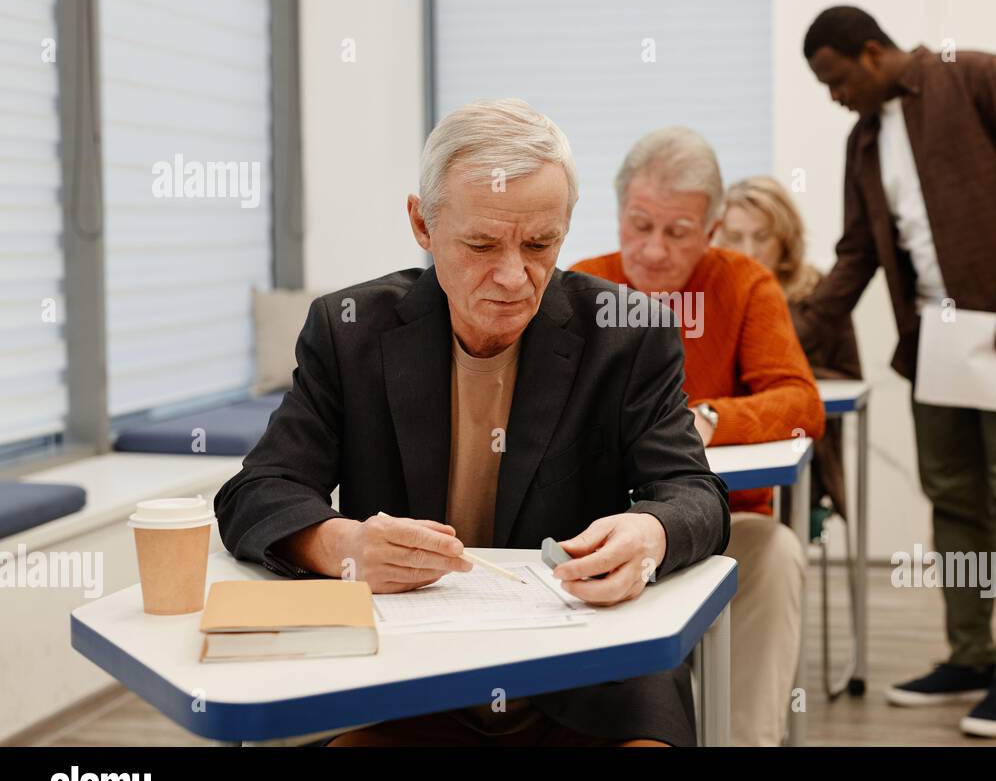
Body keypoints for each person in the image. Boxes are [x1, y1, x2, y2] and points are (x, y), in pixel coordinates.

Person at [214, 98, 730, 747]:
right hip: (410, 682)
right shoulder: (348, 332)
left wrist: (649, 532)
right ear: (422, 225)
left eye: (541, 244)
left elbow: (695, 495)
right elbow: (258, 492)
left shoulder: (628, 333)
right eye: (482, 244)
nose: (515, 278)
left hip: (593, 677)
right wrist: (342, 548)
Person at [798, 6, 996, 738]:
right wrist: (793, 332)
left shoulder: (983, 76)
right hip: (937, 339)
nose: (833, 97)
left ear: (871, 53)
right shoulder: (864, 141)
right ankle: (972, 656)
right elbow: (858, 253)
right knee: (955, 498)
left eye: (836, 80)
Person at [571, 128, 826, 746]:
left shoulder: (742, 284)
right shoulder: (582, 286)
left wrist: (707, 421)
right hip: (601, 527)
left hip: (724, 525)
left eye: (678, 232)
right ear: (618, 213)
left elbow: (800, 403)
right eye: (639, 225)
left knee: (776, 550)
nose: (653, 251)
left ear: (710, 230)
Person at [715, 175, 862, 520]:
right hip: (726, 443)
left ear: (785, 238)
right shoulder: (711, 295)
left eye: (761, 237)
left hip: (795, 452)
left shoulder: (818, 293)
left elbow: (849, 377)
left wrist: (782, 385)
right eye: (735, 238)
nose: (748, 251)